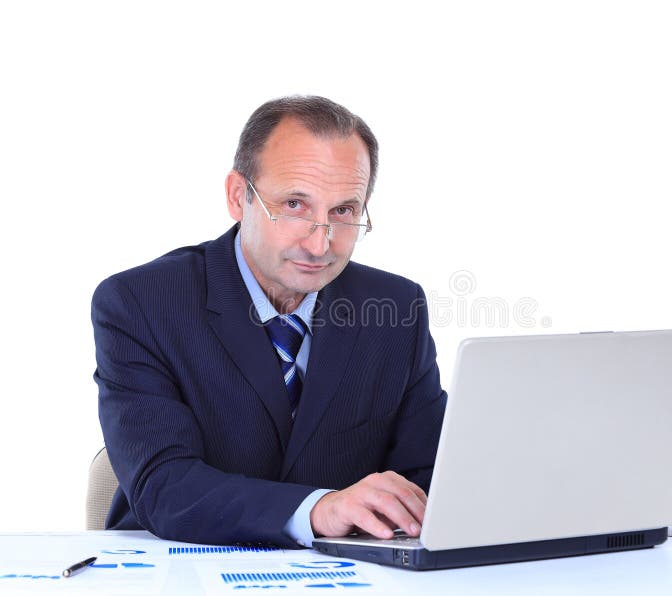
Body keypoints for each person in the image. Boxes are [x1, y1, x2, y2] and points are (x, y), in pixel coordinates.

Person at [91, 96, 447, 547]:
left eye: (343, 211)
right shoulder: (140, 303)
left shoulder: (397, 307)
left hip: (350, 576)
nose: (321, 245)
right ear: (238, 197)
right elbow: (166, 486)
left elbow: (434, 475)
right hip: (177, 565)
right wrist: (317, 509)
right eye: (295, 204)